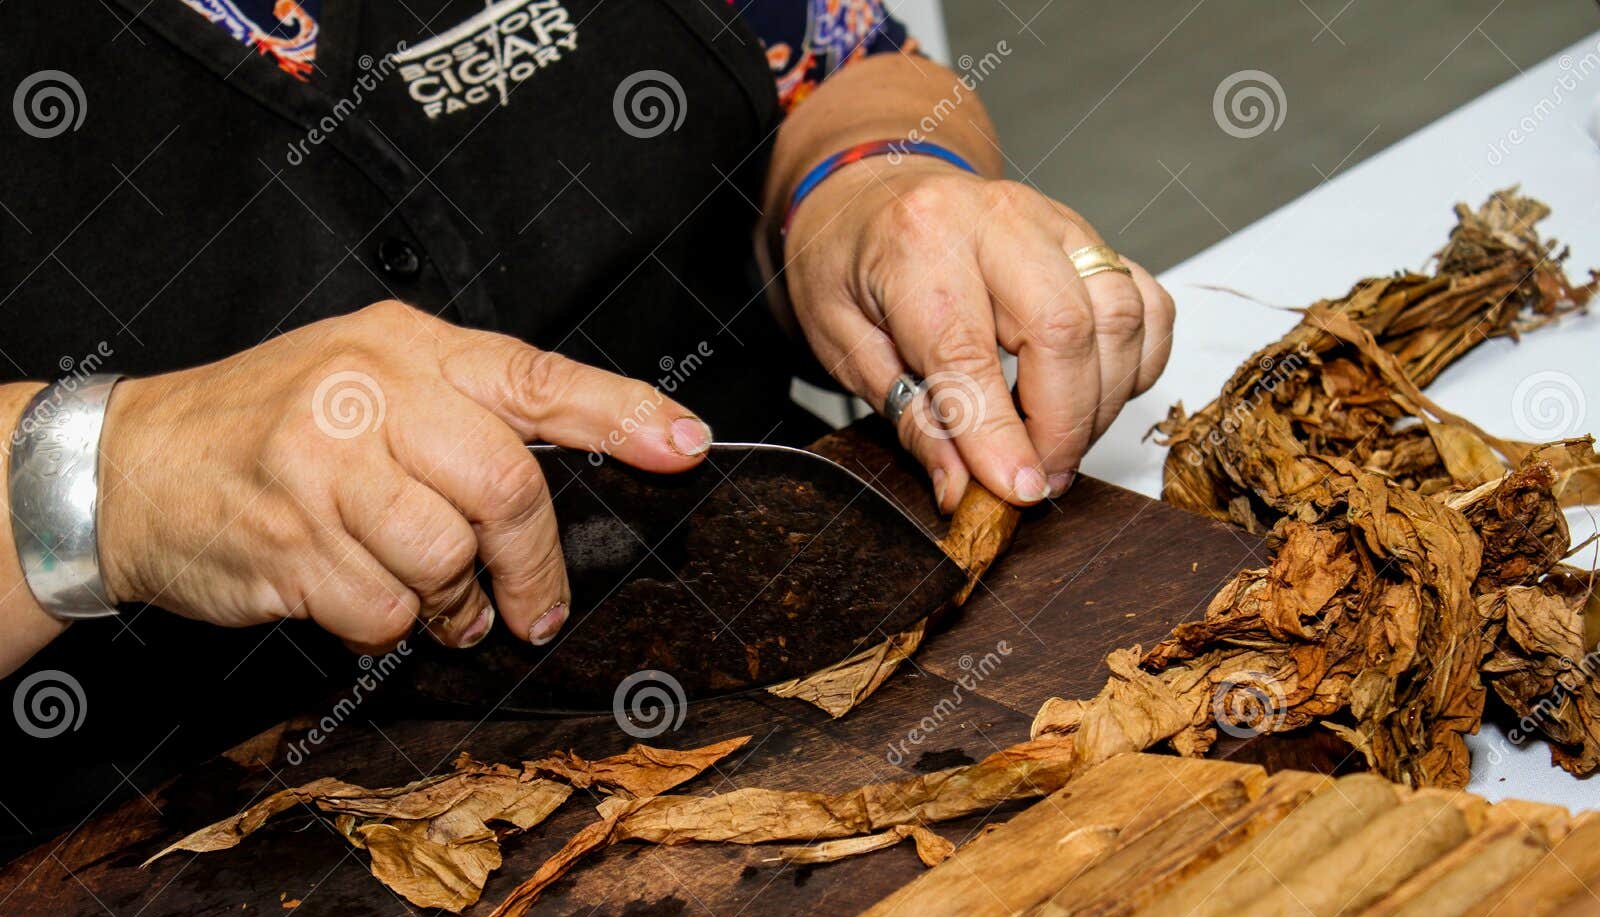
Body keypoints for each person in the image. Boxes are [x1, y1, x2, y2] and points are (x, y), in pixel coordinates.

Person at [0, 1, 1173, 775]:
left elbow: (838, 66)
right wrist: (116, 472)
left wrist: (866, 184)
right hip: (183, 850)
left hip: (790, 620)